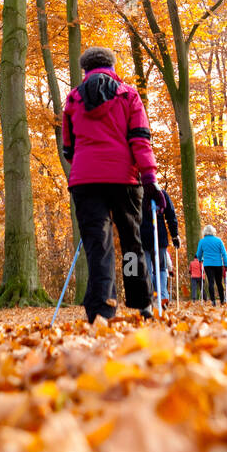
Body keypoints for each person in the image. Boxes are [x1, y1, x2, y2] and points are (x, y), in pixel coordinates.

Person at [62, 46, 162, 324]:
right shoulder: (128, 95)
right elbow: (139, 139)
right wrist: (150, 178)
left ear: (85, 70)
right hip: (124, 180)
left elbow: (68, 149)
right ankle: (141, 303)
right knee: (131, 243)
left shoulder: (73, 100)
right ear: (112, 67)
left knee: (98, 247)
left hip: (86, 181)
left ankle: (102, 309)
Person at [140, 182, 179, 306]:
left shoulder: (136, 195)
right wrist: (174, 235)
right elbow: (171, 216)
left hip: (143, 238)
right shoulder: (162, 194)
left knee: (147, 270)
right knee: (161, 268)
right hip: (159, 236)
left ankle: (151, 297)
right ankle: (161, 296)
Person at [195, 223, 227, 305]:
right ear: (213, 231)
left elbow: (198, 254)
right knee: (219, 282)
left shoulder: (202, 241)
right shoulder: (219, 241)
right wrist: (226, 264)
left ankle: (213, 301)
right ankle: (222, 300)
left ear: (205, 232)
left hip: (208, 264)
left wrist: (200, 260)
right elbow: (224, 253)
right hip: (218, 264)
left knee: (211, 282)